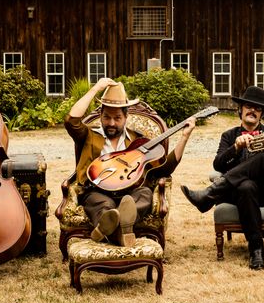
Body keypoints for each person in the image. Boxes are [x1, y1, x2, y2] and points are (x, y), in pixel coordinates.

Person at [65, 77, 195, 246]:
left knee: (145, 194)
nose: (111, 123)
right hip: (97, 191)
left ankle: (110, 227)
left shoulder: (138, 142)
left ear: (126, 117)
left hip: (129, 193)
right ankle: (120, 229)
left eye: (117, 118)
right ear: (101, 116)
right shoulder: (89, 135)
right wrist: (96, 88)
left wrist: (184, 137)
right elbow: (71, 121)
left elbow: (164, 169)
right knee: (103, 204)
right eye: (106, 117)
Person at [181, 85, 264, 270]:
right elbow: (218, 165)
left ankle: (209, 195)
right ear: (240, 110)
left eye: (257, 108)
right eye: (248, 106)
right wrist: (235, 148)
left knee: (263, 160)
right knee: (246, 187)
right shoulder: (229, 136)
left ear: (262, 113)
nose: (252, 110)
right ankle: (256, 249)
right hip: (245, 195)